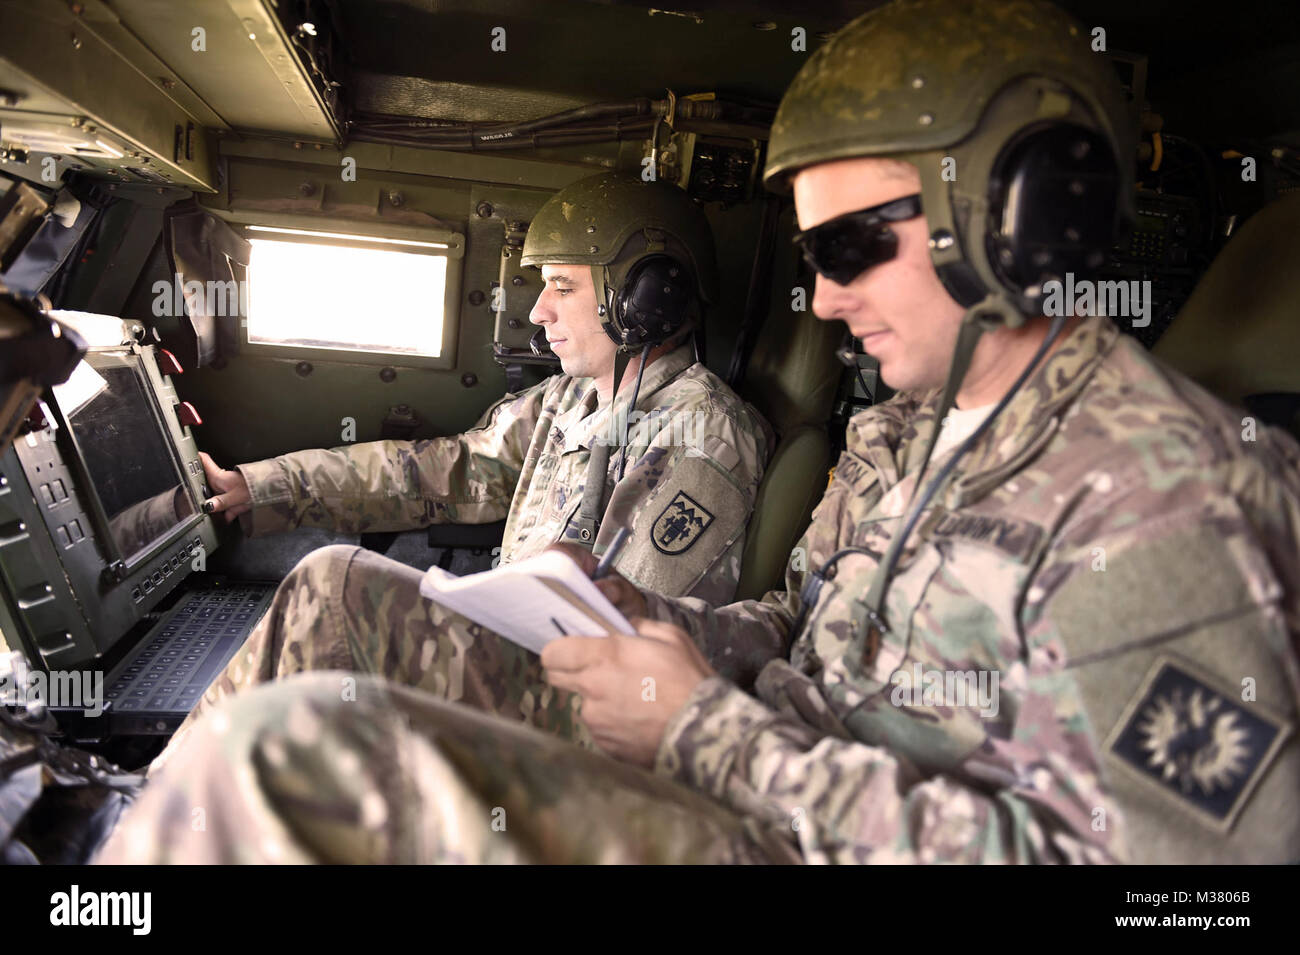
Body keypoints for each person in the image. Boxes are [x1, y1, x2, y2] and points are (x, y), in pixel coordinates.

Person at [99, 0, 1300, 864]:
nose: (824, 298)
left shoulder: (1168, 501)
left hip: (779, 819)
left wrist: (703, 730)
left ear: (1019, 222)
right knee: (333, 595)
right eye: (814, 255)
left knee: (298, 749)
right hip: (760, 769)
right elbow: (800, 630)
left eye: (850, 247)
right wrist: (655, 624)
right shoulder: (899, 436)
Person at [150, 171, 773, 765]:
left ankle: (158, 808)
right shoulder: (573, 398)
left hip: (563, 719)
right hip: (510, 656)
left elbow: (634, 656)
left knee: (330, 589)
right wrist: (262, 487)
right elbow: (445, 471)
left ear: (646, 299)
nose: (539, 312)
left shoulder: (704, 434)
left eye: (563, 287)